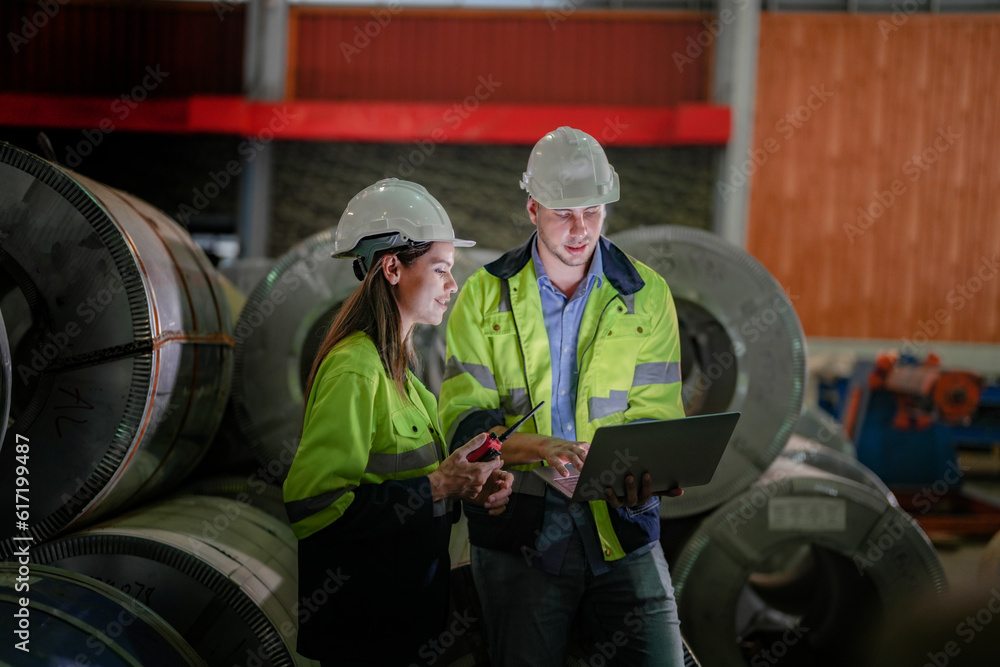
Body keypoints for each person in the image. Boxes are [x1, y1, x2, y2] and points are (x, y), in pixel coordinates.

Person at [439, 127, 686, 666]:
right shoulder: (483, 295)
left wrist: (652, 469)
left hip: (620, 524)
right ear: (532, 209)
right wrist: (540, 448)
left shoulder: (646, 294)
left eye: (593, 211)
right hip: (520, 528)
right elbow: (463, 420)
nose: (581, 229)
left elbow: (658, 410)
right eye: (563, 213)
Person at [283, 178, 514, 666]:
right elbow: (313, 506)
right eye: (441, 269)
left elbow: (405, 484)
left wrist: (464, 486)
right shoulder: (356, 368)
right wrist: (438, 485)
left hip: (405, 622)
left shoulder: (400, 374)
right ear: (392, 268)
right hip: (366, 632)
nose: (452, 284)